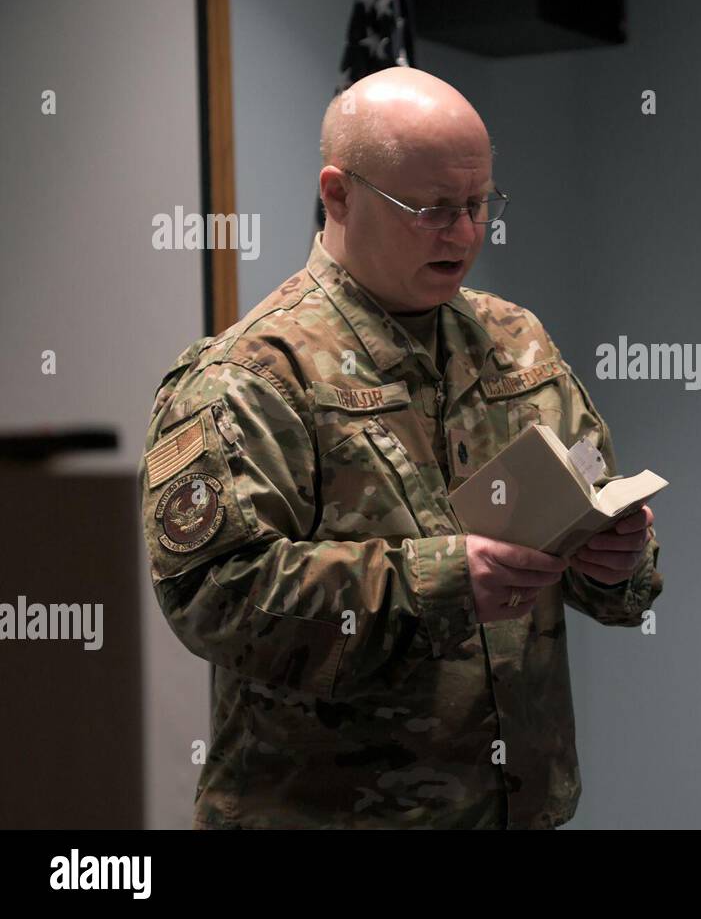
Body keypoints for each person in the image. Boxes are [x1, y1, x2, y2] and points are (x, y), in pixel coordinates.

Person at [138, 66, 664, 829]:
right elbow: (212, 597)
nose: (465, 233)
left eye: (479, 204)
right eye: (433, 210)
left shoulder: (517, 342)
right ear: (338, 195)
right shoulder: (252, 375)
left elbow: (597, 526)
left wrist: (615, 563)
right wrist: (439, 582)